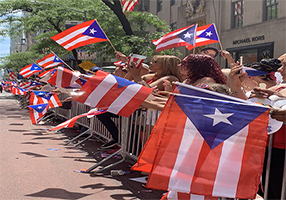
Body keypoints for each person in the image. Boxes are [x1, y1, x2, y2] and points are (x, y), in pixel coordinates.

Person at [229, 57, 284, 199]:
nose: (278, 69)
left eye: (284, 65)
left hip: (279, 151)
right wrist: (236, 87)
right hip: (267, 149)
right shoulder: (277, 89)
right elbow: (248, 112)